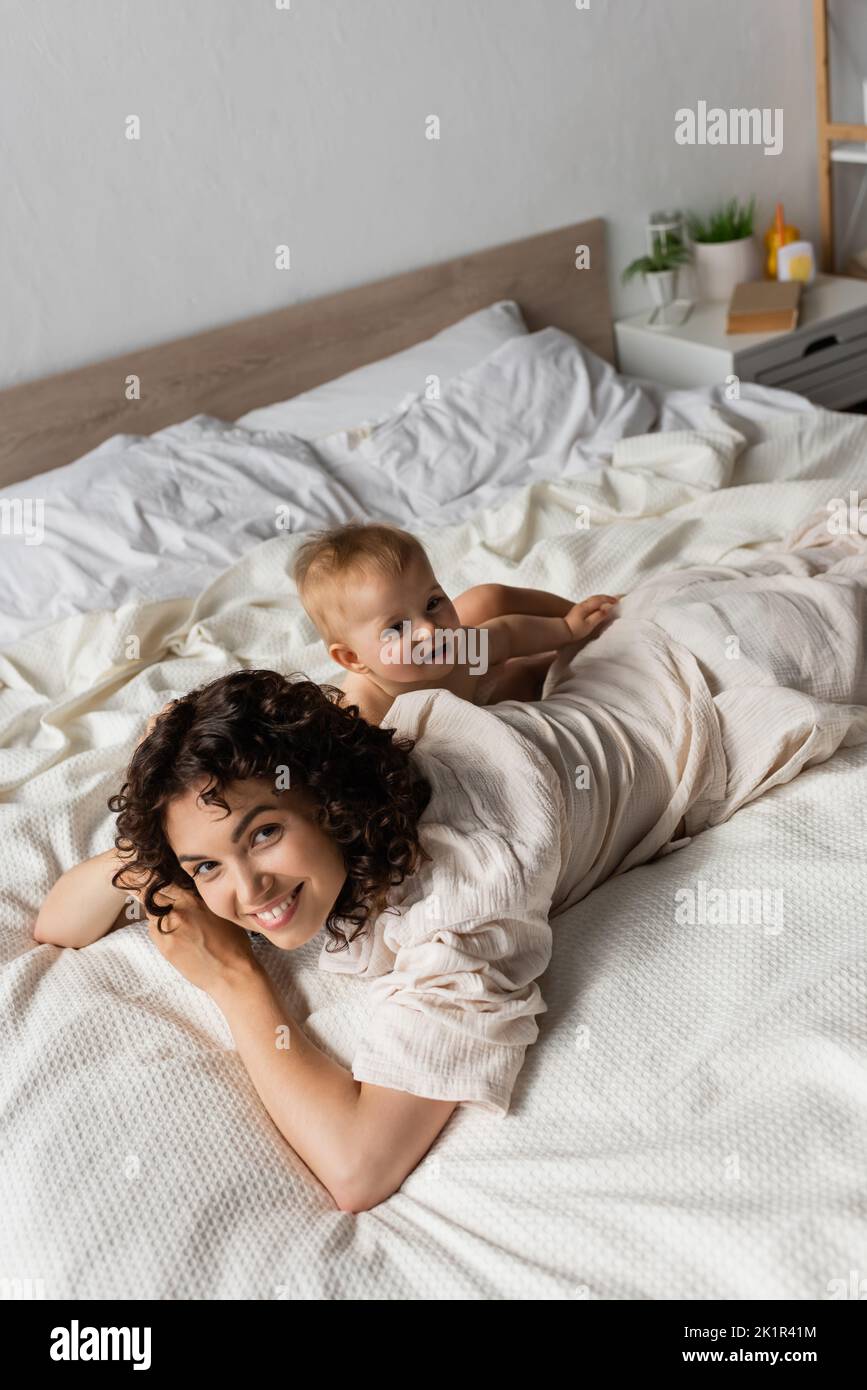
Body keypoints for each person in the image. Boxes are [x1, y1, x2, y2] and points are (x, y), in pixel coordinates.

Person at [32, 500, 867, 1213]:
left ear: (325, 799)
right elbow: (55, 923)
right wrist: (166, 859)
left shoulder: (461, 889)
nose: (250, 892)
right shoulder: (303, 787)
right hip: (605, 682)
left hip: (710, 679)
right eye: (206, 865)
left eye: (263, 835)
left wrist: (235, 981)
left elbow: (359, 1168)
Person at [292, 520, 620, 723]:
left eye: (433, 602)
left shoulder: (455, 644)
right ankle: (548, 660)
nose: (429, 629)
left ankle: (594, 614)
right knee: (523, 680)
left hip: (467, 675)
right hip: (472, 700)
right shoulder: (367, 713)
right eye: (396, 628)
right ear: (352, 658)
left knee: (490, 599)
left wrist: (566, 628)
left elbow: (507, 634)